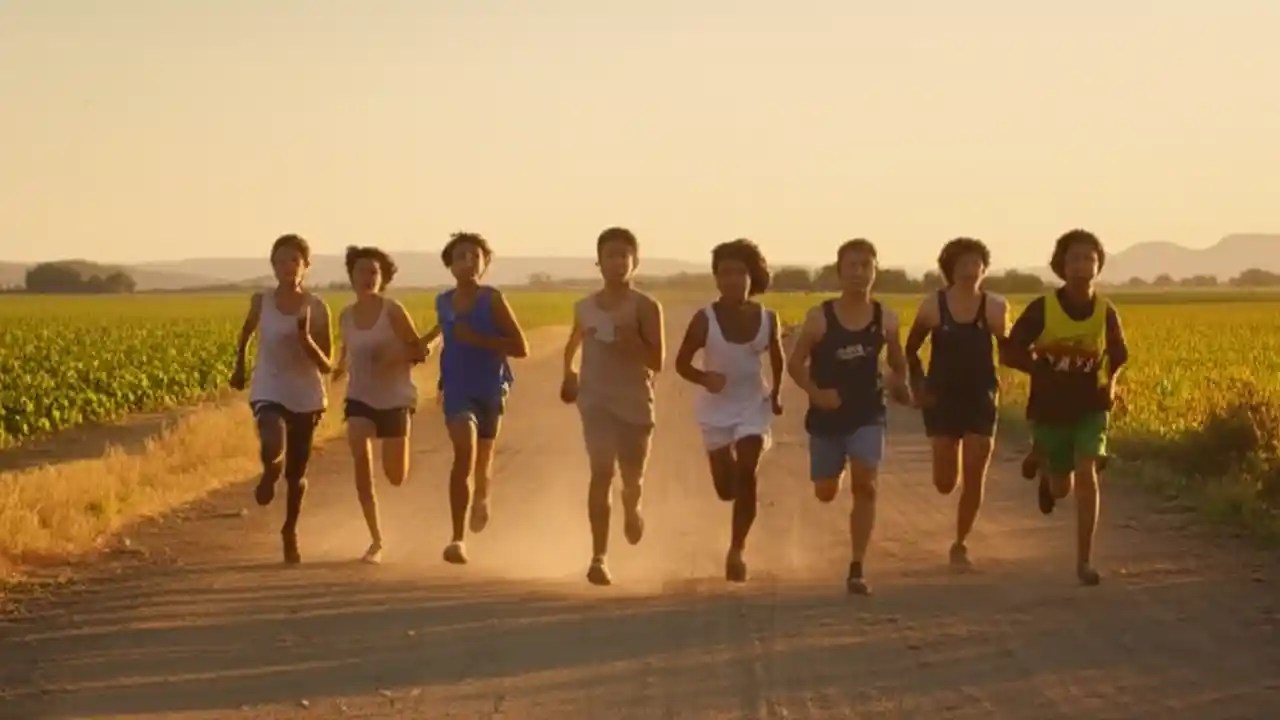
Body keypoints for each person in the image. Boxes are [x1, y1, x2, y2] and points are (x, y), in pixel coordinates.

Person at [1000, 229, 1128, 586]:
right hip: (1050, 407)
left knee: (1087, 472)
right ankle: (1044, 464)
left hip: (1090, 405)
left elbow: (1118, 357)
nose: (1082, 264)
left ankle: (1084, 561)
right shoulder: (1043, 308)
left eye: (1090, 258)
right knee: (1061, 489)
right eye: (1075, 258)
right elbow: (1010, 351)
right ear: (1061, 265)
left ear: (1099, 265)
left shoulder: (1105, 311)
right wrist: (1040, 367)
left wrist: (1112, 387)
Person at [787, 239, 912, 595]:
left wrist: (895, 383)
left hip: (868, 413)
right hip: (827, 417)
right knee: (825, 491)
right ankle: (834, 471)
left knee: (866, 486)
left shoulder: (885, 318)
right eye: (852, 266)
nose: (859, 273)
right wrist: (816, 394)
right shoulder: (819, 318)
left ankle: (857, 566)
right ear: (839, 272)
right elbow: (796, 365)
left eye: (865, 267)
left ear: (875, 272)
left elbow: (899, 363)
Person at [560, 227, 665, 586]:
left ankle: (633, 503)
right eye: (611, 255)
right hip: (596, 401)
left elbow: (658, 360)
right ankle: (599, 557)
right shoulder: (584, 307)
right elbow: (572, 345)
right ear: (599, 263)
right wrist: (569, 375)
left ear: (635, 262)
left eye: (624, 255)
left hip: (635, 401)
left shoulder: (646, 306)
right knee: (601, 471)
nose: (618, 262)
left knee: (631, 477)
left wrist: (630, 342)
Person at [675, 239, 783, 583]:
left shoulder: (768, 318)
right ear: (716, 279)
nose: (733, 280)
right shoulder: (704, 320)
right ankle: (737, 501)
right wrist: (704, 377)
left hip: (753, 405)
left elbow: (777, 359)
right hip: (716, 409)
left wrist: (777, 394)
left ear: (753, 277)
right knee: (726, 487)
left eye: (740, 273)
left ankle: (737, 550)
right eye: (725, 273)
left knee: (747, 470)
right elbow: (681, 363)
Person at [423, 231, 529, 565]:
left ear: (485, 264)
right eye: (460, 256)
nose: (467, 261)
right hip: (456, 388)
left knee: (483, 458)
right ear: (449, 265)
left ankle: (482, 495)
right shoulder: (443, 301)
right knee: (464, 453)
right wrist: (419, 346)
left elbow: (521, 348)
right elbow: (440, 335)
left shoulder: (492, 299)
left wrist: (480, 339)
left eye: (474, 255)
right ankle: (457, 539)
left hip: (490, 386)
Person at [230, 233, 334, 565]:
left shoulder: (316, 307)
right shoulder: (261, 301)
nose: (287, 267)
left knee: (297, 473)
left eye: (294, 260)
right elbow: (246, 333)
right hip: (269, 384)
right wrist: (240, 367)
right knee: (271, 437)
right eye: (280, 261)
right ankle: (269, 472)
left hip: (305, 390)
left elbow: (327, 364)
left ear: (305, 266)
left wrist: (305, 339)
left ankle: (290, 530)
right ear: (272, 266)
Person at [905, 238, 1009, 570]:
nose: (969, 270)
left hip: (981, 396)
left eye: (976, 263)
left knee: (976, 472)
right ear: (949, 269)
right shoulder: (933, 306)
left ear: (984, 268)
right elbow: (911, 349)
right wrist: (918, 385)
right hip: (942, 396)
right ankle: (948, 476)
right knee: (945, 481)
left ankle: (960, 543)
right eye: (962, 264)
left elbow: (1010, 349)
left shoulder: (995, 307)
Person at [333, 246, 428, 565]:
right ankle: (376, 539)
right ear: (351, 276)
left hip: (395, 398)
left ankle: (382, 535)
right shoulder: (346, 316)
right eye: (360, 271)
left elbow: (418, 350)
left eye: (373, 272)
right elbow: (346, 352)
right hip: (359, 397)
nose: (367, 278)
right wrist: (338, 368)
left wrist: (391, 358)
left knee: (395, 476)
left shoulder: (392, 311)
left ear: (383, 277)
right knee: (360, 457)